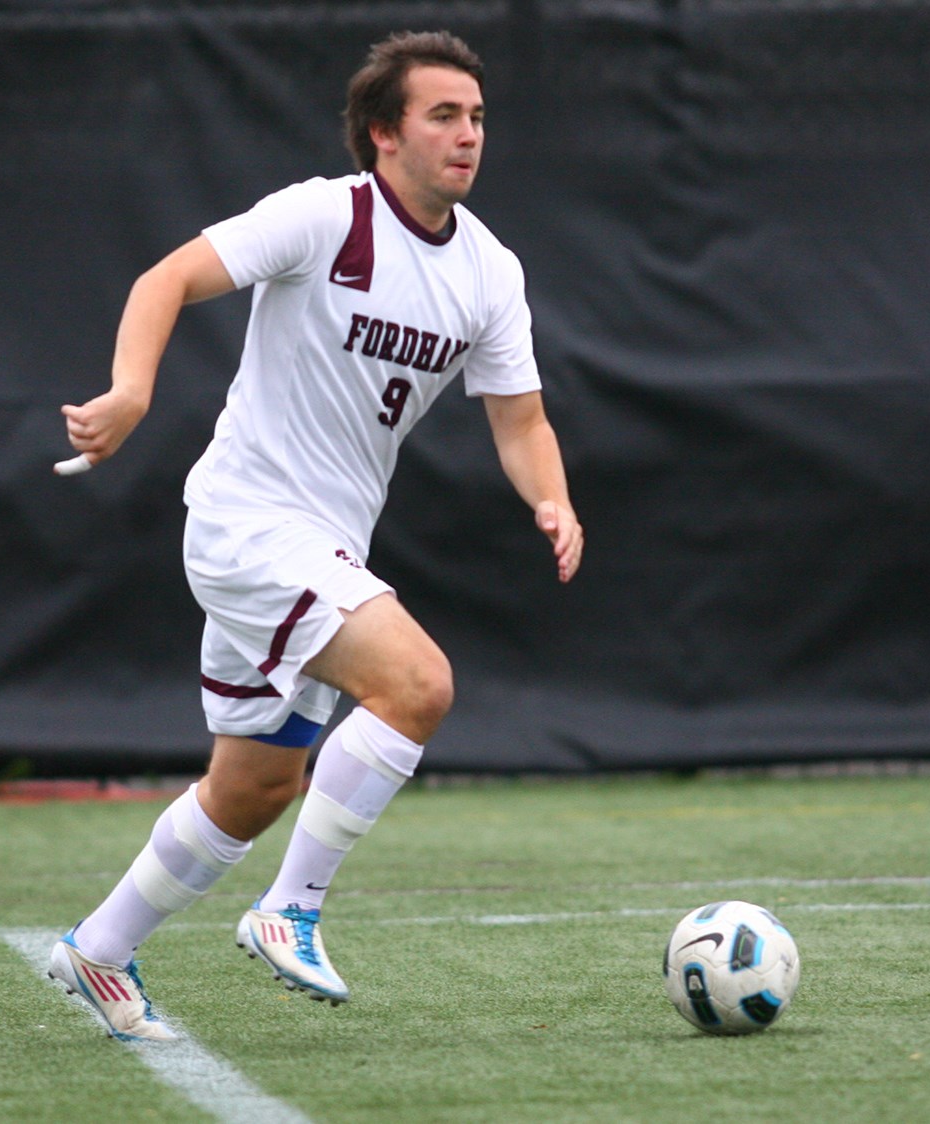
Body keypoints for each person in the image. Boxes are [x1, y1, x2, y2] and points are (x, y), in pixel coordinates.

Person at [46, 31, 582, 1041]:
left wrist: (550, 498)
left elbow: (520, 421)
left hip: (320, 546)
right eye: (442, 114)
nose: (467, 133)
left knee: (253, 788)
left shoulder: (486, 270)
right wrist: (129, 391)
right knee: (418, 683)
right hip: (249, 525)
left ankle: (97, 948)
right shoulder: (321, 215)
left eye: (475, 116)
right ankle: (287, 909)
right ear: (384, 136)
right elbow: (164, 278)